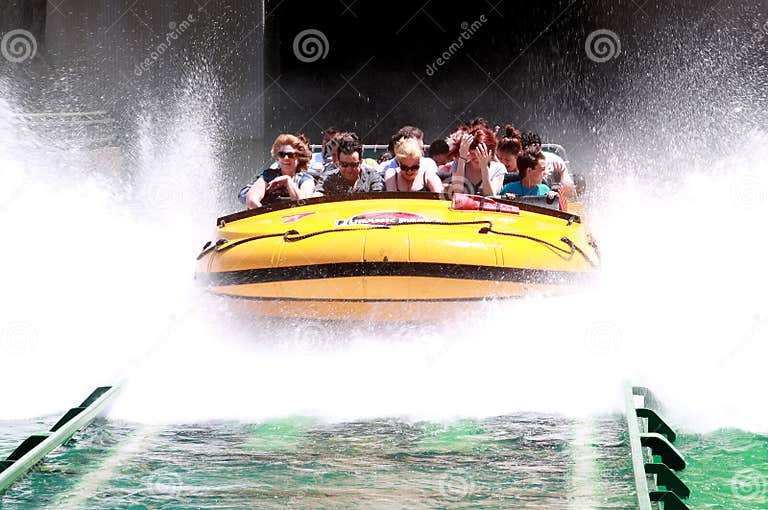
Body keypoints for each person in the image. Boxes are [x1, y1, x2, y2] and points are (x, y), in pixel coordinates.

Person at [239, 134, 314, 209]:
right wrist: (268, 215)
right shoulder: (268, 175)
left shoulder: (306, 179)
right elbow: (251, 201)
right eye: (281, 154)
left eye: (290, 155)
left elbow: (303, 205)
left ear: (299, 158)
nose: (286, 158)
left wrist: (288, 180)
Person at [448, 125, 506, 196]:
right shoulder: (458, 164)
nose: (476, 157)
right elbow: (458, 193)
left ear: (490, 152)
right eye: (472, 153)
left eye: (480, 153)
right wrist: (462, 157)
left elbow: (490, 196)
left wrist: (484, 168)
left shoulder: (499, 168)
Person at [313, 139, 384, 195]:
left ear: (361, 162)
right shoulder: (328, 178)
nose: (349, 170)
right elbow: (318, 195)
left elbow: (378, 199)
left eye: (354, 165)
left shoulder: (372, 176)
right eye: (344, 165)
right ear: (338, 163)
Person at [520, 131, 576, 199]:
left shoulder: (556, 162)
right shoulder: (517, 161)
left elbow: (570, 195)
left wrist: (559, 181)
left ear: (539, 148)